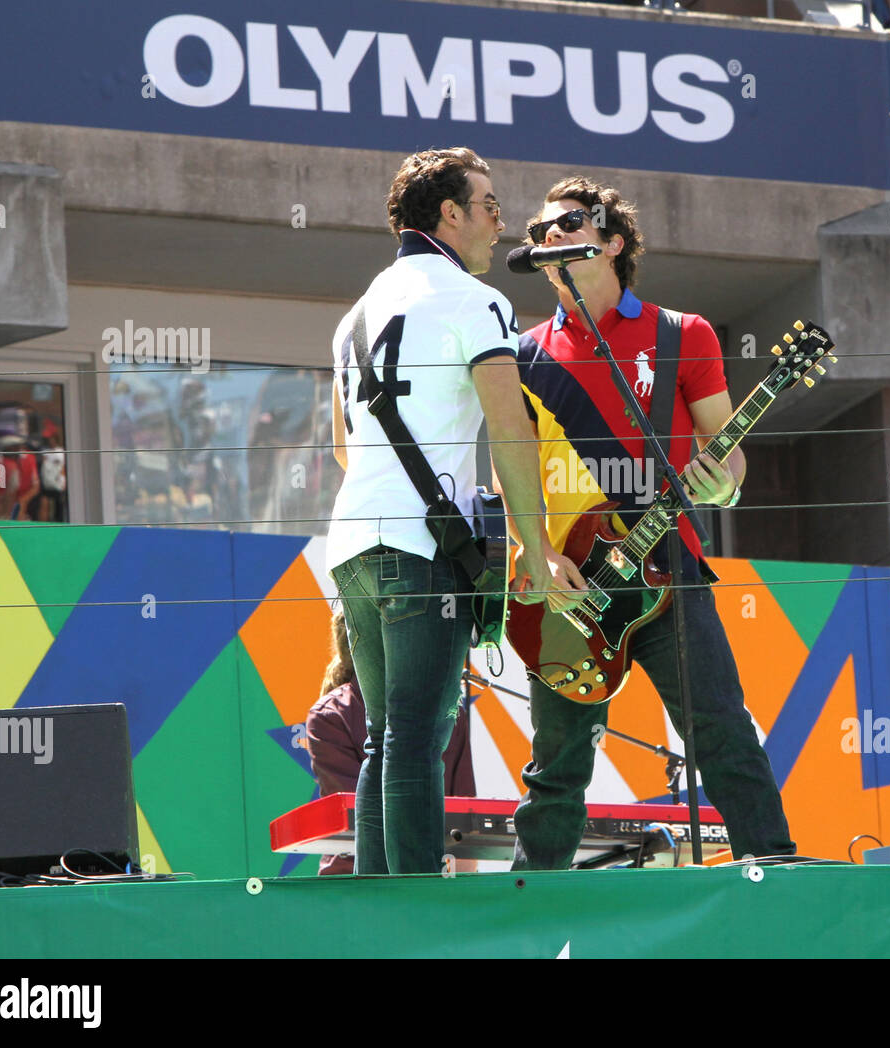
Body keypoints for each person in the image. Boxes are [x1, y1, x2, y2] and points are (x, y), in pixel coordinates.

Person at [508, 176, 796, 869]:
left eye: (569, 224)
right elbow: (507, 471)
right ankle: (528, 906)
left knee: (722, 733)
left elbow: (728, 457)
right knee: (557, 763)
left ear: (612, 242)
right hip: (571, 583)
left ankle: (782, 876)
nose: (550, 237)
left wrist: (719, 487)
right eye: (539, 230)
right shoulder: (521, 355)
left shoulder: (682, 333)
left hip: (670, 565)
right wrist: (537, 552)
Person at [326, 148, 585, 875]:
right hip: (418, 545)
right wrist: (534, 551)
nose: (502, 226)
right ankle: (413, 912)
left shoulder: (355, 313)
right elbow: (510, 430)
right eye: (492, 206)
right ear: (449, 213)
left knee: (387, 734)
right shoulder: (475, 302)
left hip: (351, 540)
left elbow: (346, 448)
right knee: (416, 733)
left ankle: (381, 907)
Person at [306, 610, 475, 875]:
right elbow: (356, 817)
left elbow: (465, 816)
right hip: (354, 880)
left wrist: (458, 889)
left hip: (433, 876)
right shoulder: (331, 714)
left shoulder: (450, 710)